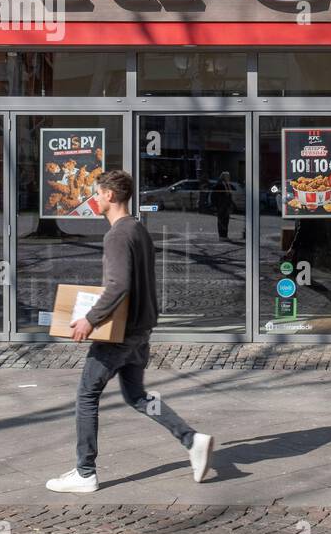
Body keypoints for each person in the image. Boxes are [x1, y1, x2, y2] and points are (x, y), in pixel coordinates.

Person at [46, 169, 213, 493]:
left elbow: (118, 285)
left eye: (96, 193)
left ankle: (85, 472)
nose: (94, 199)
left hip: (121, 333)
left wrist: (90, 319)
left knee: (86, 394)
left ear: (109, 195)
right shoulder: (138, 229)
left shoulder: (118, 235)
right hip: (140, 328)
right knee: (136, 395)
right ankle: (192, 440)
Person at [209, 170, 238, 239]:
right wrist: (215, 205)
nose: (229, 178)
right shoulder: (219, 185)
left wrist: (231, 204)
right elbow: (214, 195)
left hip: (226, 205)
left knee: (226, 220)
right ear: (224, 177)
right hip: (221, 205)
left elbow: (230, 194)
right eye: (228, 176)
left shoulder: (227, 184)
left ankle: (224, 235)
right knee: (222, 220)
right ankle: (222, 235)